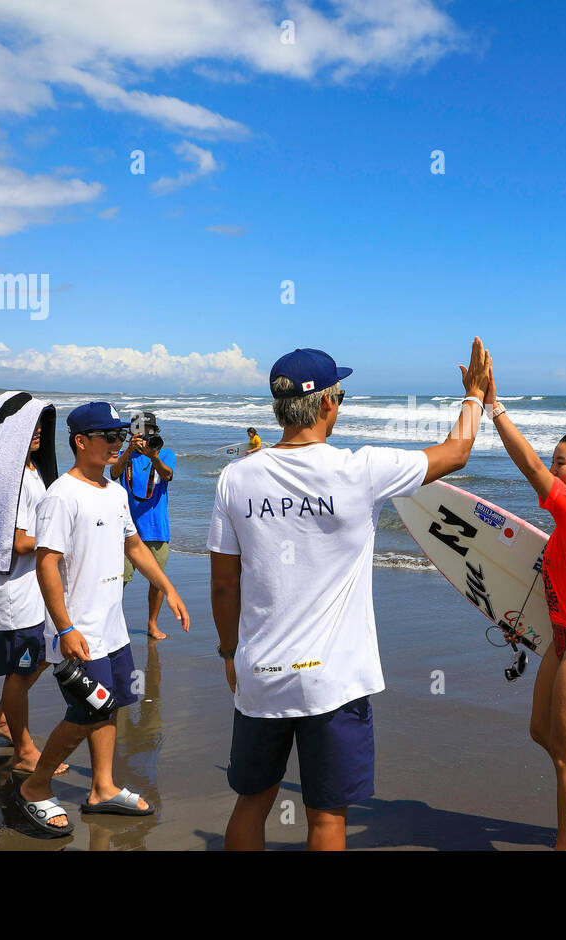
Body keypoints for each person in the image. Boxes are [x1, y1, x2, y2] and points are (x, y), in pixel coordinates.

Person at [208, 340, 491, 851]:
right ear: (329, 403)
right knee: (326, 817)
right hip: (333, 681)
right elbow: (457, 452)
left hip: (260, 672)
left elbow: (225, 583)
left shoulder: (235, 478)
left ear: (280, 407)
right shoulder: (360, 470)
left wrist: (230, 652)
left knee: (253, 800)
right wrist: (474, 398)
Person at [15, 402, 190, 838]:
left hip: (111, 630)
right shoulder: (62, 495)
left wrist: (168, 587)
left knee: (109, 708)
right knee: (87, 711)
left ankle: (102, 787)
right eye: (109, 436)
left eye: (120, 435)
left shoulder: (113, 491)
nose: (118, 443)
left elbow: (133, 546)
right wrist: (65, 628)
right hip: (80, 632)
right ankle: (35, 788)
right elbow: (47, 564)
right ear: (81, 441)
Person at [481, 360, 566, 850]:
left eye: (562, 463)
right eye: (555, 461)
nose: (554, 468)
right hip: (562, 639)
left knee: (565, 754)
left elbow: (530, 470)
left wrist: (492, 408)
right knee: (544, 733)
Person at [0, 392, 67, 776]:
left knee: (42, 656)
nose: (40, 431)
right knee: (21, 666)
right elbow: (12, 539)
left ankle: (0, 719)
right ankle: (24, 751)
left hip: (34, 585)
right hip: (14, 588)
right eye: (31, 425)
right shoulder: (6, 478)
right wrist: (60, 542)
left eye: (43, 425)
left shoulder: (30, 471)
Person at [111, 411, 176, 641]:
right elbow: (113, 472)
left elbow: (167, 475)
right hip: (127, 529)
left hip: (157, 528)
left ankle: (152, 624)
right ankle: (110, 621)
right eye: (140, 434)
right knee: (119, 579)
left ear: (155, 433)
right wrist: (128, 451)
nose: (145, 439)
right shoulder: (125, 456)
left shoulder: (165, 454)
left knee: (157, 581)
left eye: (149, 434)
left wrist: (153, 456)